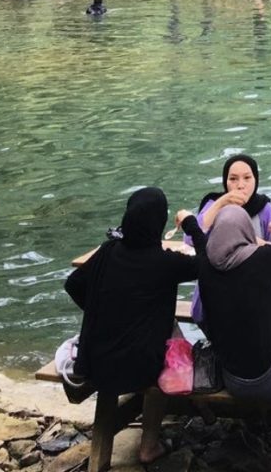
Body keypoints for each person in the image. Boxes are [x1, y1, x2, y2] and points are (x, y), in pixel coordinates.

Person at [179, 205, 271, 472]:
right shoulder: (262, 258)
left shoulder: (205, 263)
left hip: (232, 379)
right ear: (246, 231)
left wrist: (189, 220)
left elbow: (201, 242)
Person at [63, 188, 197, 465]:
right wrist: (192, 226)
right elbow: (209, 263)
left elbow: (73, 283)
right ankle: (149, 446)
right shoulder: (165, 262)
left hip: (94, 363)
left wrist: (106, 313)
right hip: (140, 370)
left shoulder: (109, 250)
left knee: (150, 336)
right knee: (166, 357)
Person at [186, 154, 271, 322]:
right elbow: (190, 239)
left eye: (247, 178)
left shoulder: (264, 208)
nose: (241, 185)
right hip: (213, 290)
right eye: (233, 179)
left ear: (256, 179)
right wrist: (221, 203)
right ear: (225, 181)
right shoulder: (213, 203)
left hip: (251, 288)